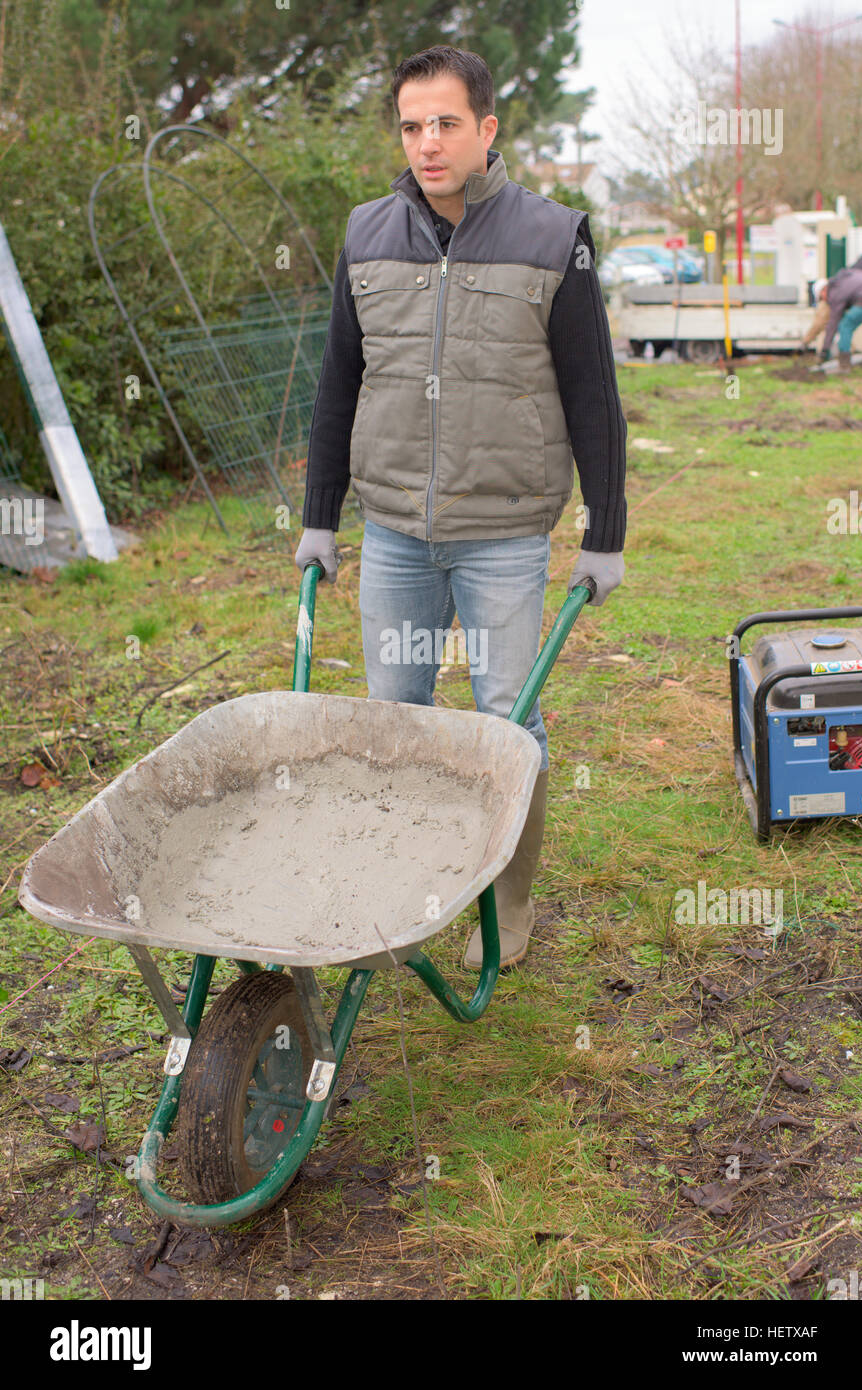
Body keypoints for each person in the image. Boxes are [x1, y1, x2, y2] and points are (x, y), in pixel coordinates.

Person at [294, 45, 627, 969]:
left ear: (486, 128)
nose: (427, 143)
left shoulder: (553, 235)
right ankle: (403, 897)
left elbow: (592, 393)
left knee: (504, 723)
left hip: (503, 533)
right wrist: (322, 515)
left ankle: (503, 910)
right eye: (411, 125)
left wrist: (606, 531)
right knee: (393, 716)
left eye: (445, 123)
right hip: (395, 527)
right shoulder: (368, 232)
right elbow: (336, 386)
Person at [818, 260, 862, 370]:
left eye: (821, 298)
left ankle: (844, 364)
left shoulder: (835, 292)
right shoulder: (844, 281)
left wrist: (825, 350)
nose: (824, 301)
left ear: (824, 290)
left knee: (845, 325)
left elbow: (833, 323)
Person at [799, 278, 829, 353]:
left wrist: (805, 342)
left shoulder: (824, 305)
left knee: (823, 337)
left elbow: (817, 325)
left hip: (834, 339)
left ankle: (822, 358)